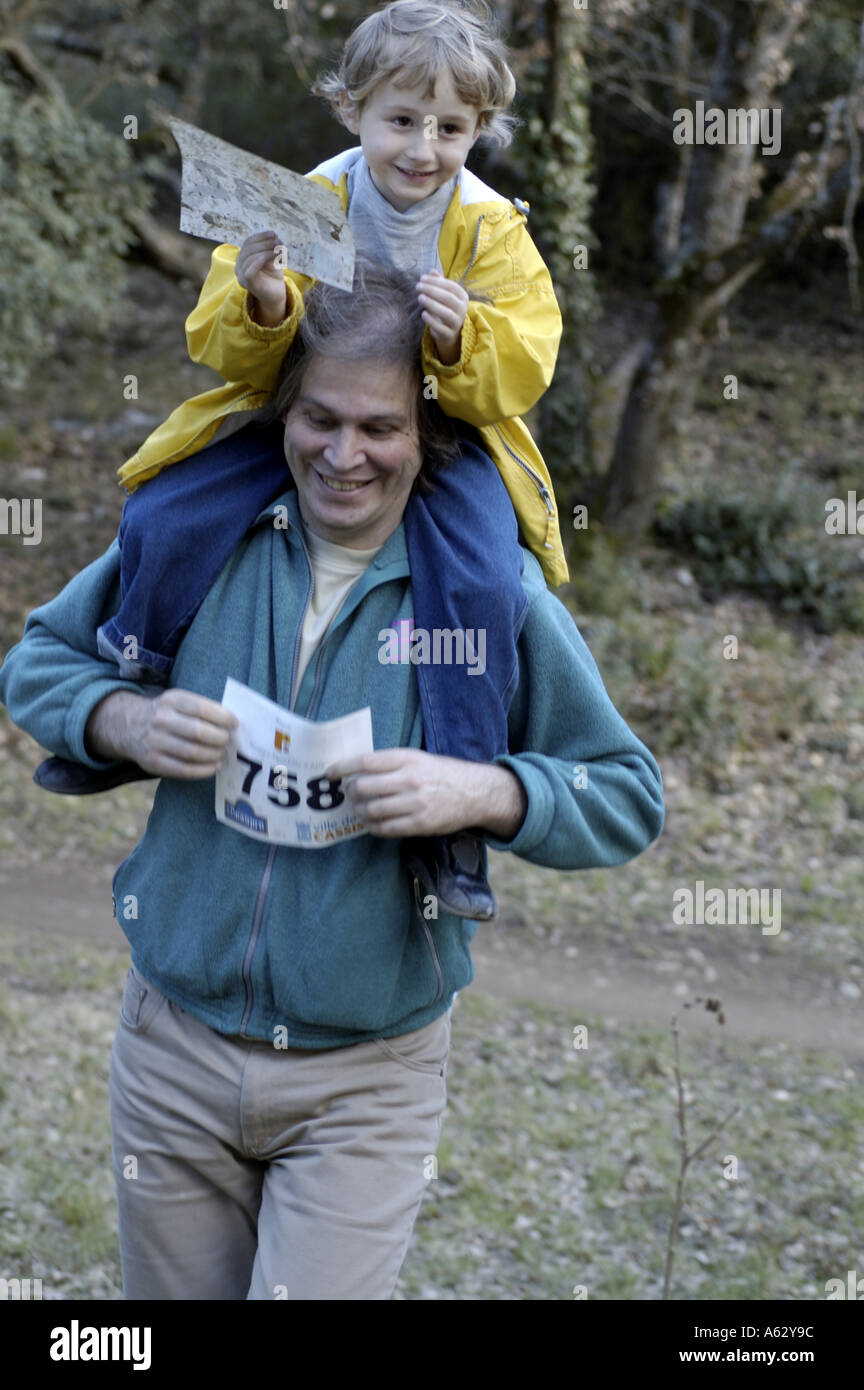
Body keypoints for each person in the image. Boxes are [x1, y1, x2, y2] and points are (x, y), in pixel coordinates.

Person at [0, 265, 664, 1301]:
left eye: (380, 428)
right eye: (318, 418)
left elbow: (625, 792)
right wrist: (123, 716)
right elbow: (37, 663)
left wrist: (483, 791)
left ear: (428, 436)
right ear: (284, 412)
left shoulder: (490, 593)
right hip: (171, 1050)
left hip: (368, 1080)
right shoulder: (196, 538)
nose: (343, 455)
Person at [37, 0, 566, 923]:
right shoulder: (306, 199)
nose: (423, 148)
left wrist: (464, 340)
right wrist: (268, 303)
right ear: (353, 109)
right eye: (402, 120)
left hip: (441, 437)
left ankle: (457, 822)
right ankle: (136, 678)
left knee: (482, 576)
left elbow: (525, 364)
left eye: (451, 128)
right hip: (298, 414)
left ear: (480, 132)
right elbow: (220, 340)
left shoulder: (491, 230)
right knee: (165, 511)